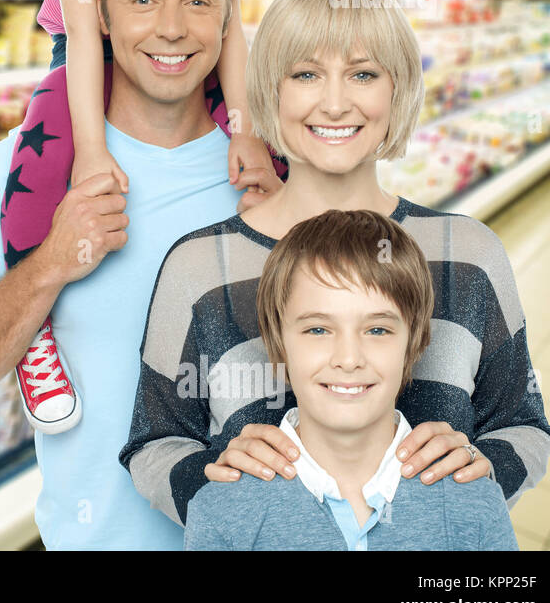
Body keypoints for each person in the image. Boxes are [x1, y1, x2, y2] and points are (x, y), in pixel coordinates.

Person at [121, 0, 550, 527]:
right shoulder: (201, 267)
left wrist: (482, 468)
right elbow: (154, 443)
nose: (333, 103)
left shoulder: (468, 255)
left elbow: (523, 425)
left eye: (363, 73)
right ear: (270, 91)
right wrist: (212, 478)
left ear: (396, 88)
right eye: (305, 74)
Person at [0, 0, 267, 550]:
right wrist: (49, 263)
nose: (171, 28)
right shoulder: (20, 169)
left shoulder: (271, 176)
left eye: (197, 0)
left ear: (227, 15)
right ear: (99, 13)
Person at [2, 0, 283, 435]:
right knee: (39, 156)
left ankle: (285, 306)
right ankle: (34, 330)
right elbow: (85, 32)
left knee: (277, 153)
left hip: (188, 52)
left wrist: (246, 126)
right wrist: (92, 150)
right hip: (87, 50)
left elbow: (228, 23)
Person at [184, 209, 519, 550]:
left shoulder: (477, 505)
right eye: (317, 329)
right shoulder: (220, 512)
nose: (348, 359)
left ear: (414, 341)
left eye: (377, 329)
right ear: (277, 340)